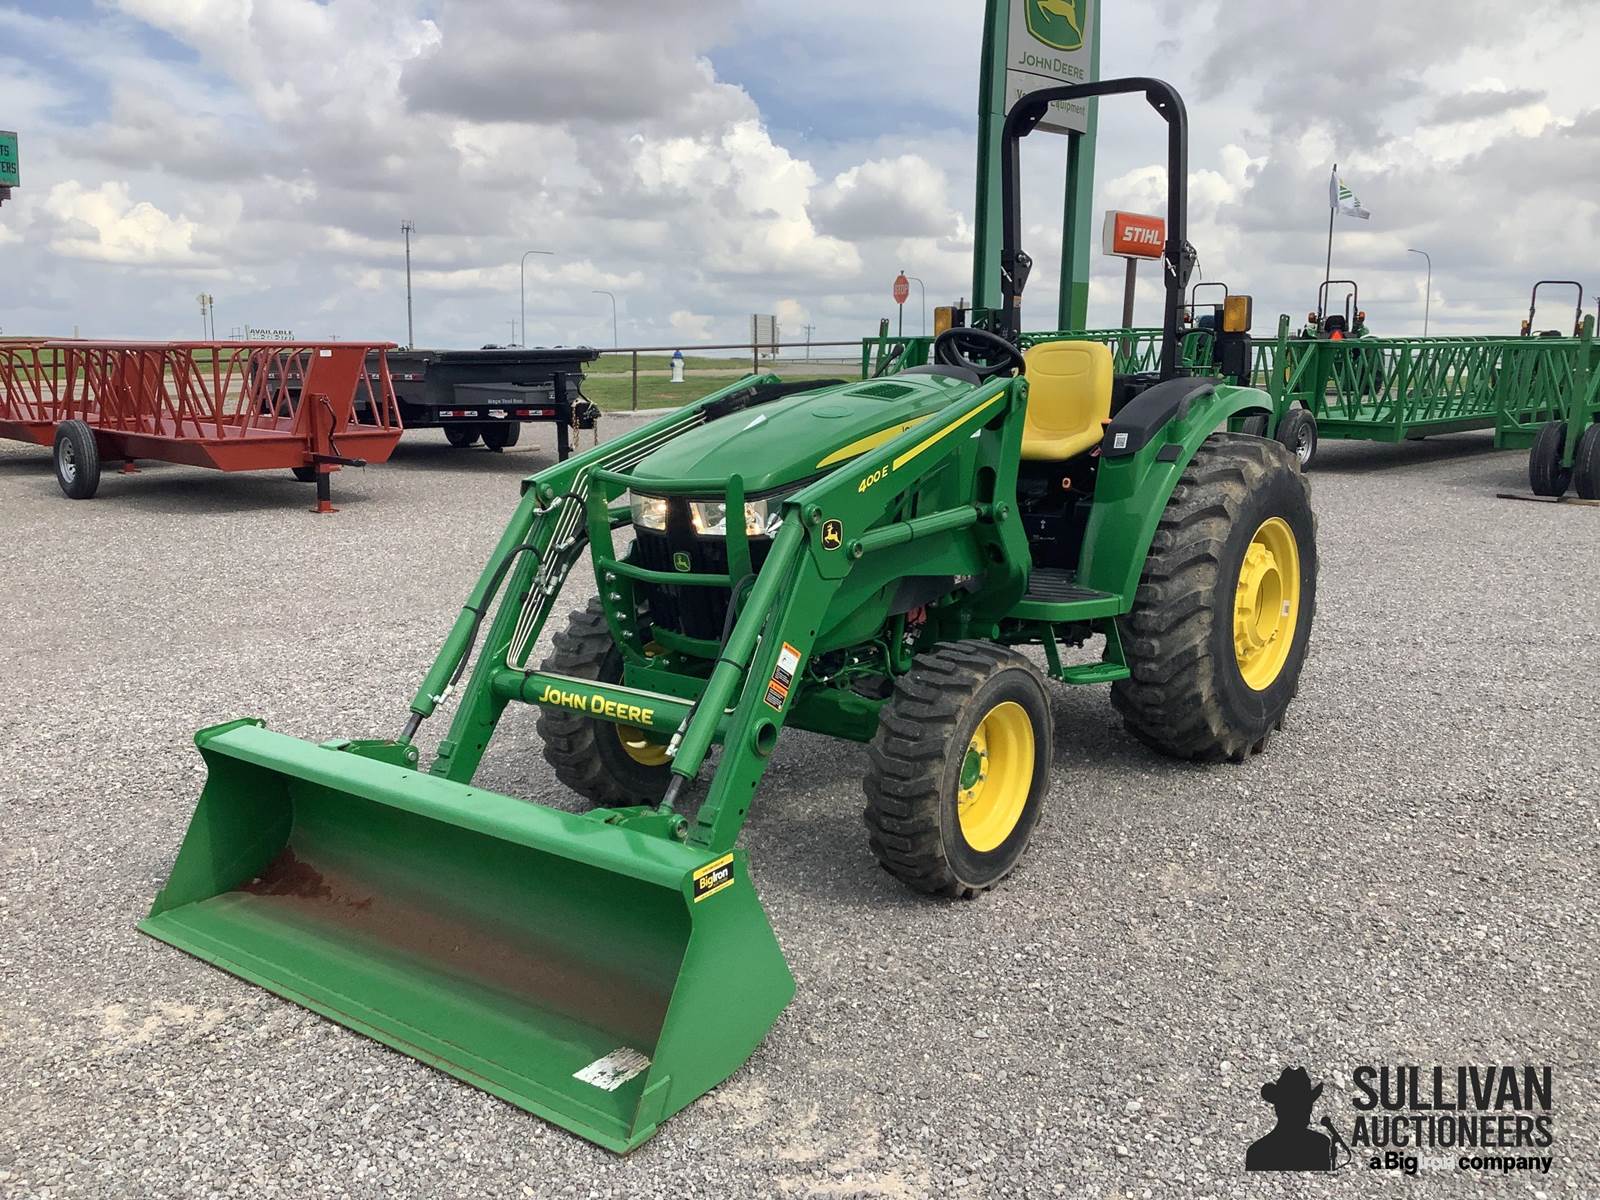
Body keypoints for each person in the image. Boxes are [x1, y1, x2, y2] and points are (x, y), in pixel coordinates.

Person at [1245, 1067, 1333, 1172]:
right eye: (1302, 1106)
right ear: (1280, 1108)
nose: (1308, 1111)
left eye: (1307, 1105)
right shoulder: (1319, 1145)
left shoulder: (1257, 1151)